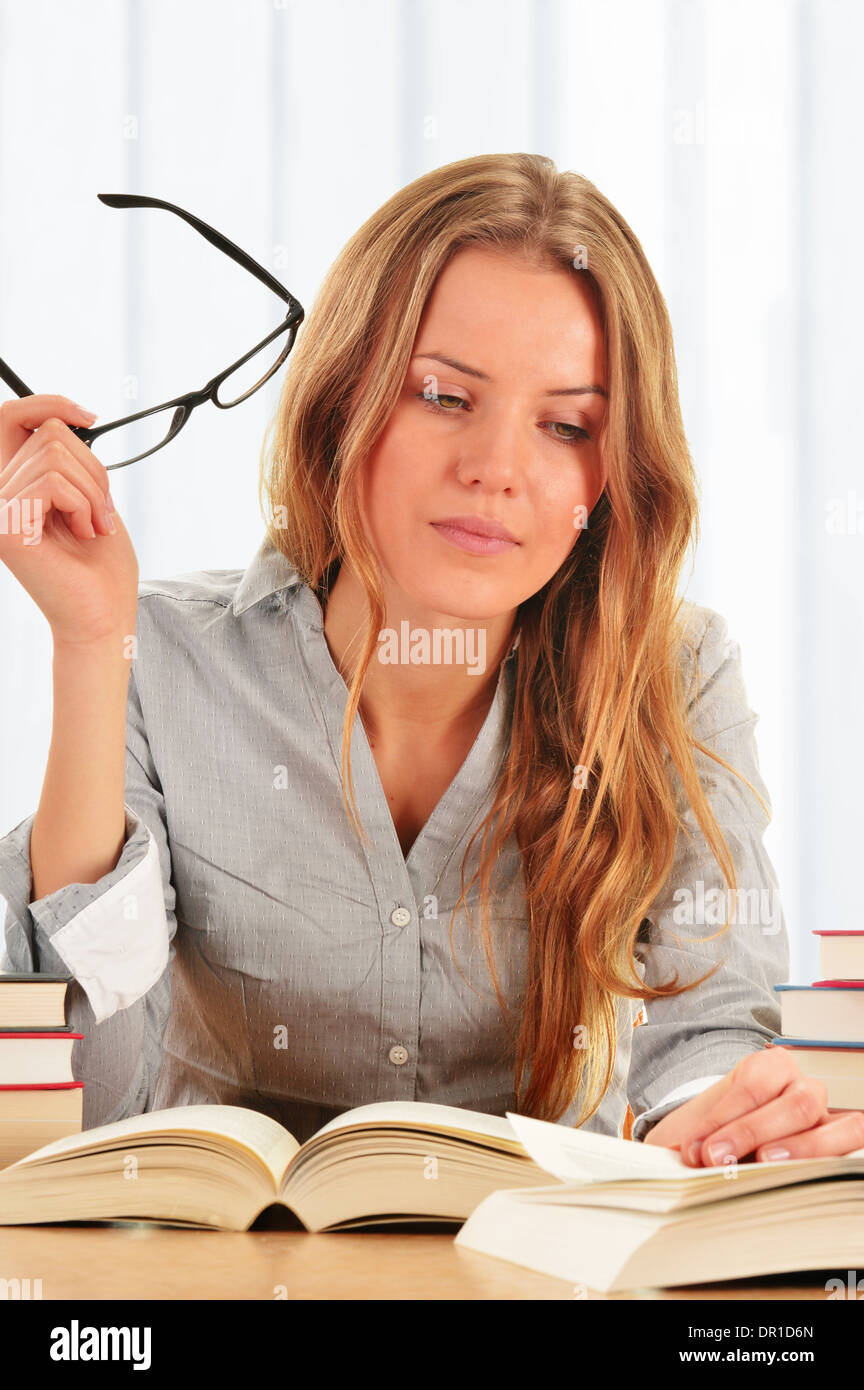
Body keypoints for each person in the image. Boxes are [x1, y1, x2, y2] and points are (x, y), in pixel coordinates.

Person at [1, 152, 860, 1167]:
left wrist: (723, 1126)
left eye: (565, 425)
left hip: (541, 1248)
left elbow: (708, 1035)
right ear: (343, 399)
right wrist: (89, 640)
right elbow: (86, 1056)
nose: (496, 469)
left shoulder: (678, 674)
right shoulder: (166, 656)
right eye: (447, 396)